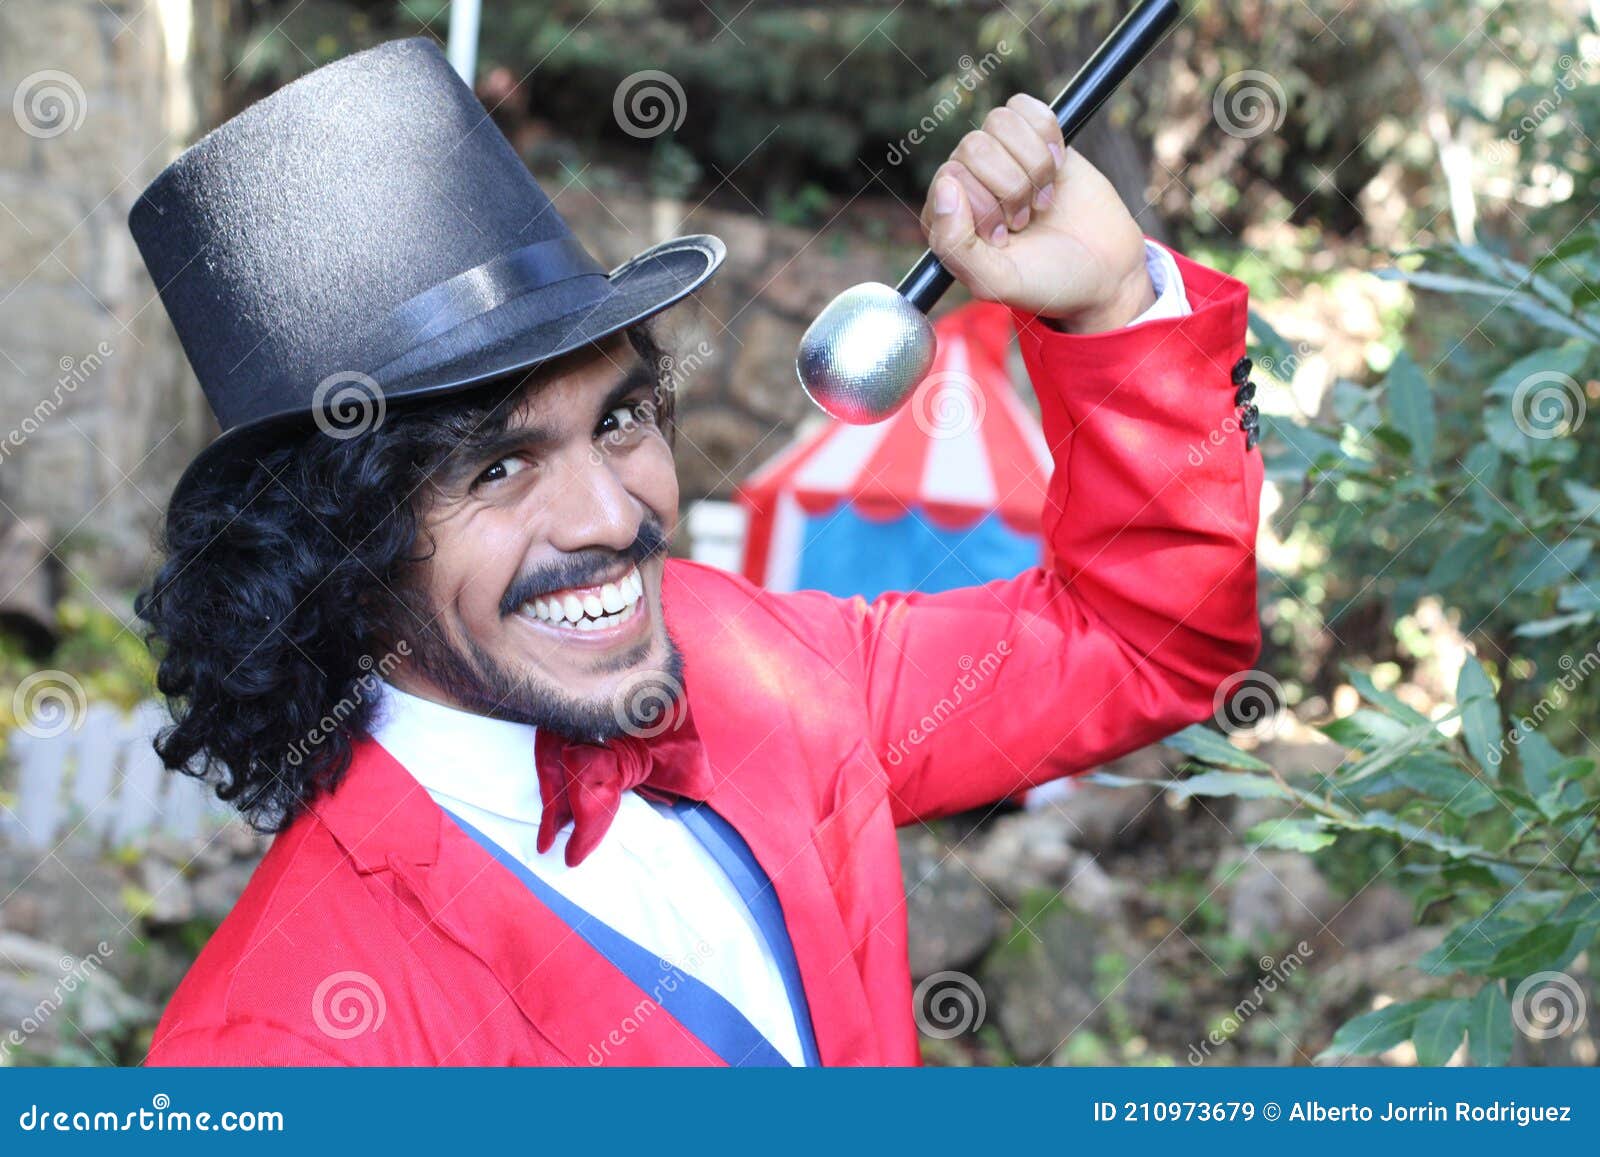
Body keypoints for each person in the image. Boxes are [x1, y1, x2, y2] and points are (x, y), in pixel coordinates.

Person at [132, 38, 1262, 1066]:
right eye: (497, 468)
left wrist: (1113, 302)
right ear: (335, 552)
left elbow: (1135, 639)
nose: (611, 515)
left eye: (619, 421)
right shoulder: (278, 1043)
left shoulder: (737, 652)